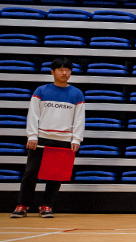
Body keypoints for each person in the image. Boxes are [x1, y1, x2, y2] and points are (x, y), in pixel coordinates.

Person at [13, 58, 84, 218]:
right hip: (40, 138)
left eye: (67, 69)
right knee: (30, 173)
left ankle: (46, 205)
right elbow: (33, 114)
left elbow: (79, 118)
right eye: (60, 69)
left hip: (63, 139)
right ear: (52, 72)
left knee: (55, 175)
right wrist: (32, 135)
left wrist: (76, 139)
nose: (64, 73)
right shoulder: (41, 91)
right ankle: (22, 205)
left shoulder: (77, 94)